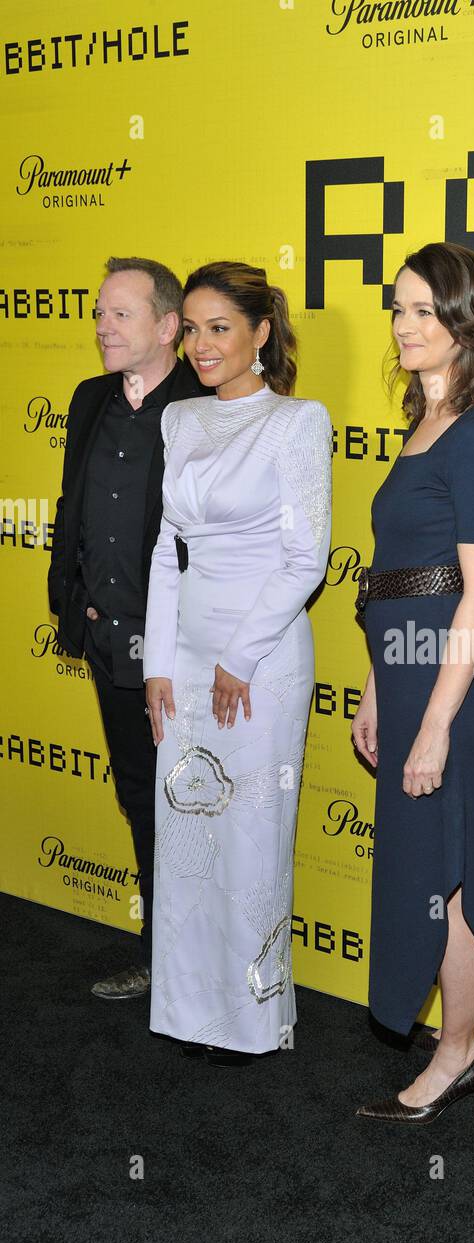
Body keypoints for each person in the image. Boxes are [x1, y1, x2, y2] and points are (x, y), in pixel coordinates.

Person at [352, 242, 474, 1122]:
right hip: (412, 675)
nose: (405, 325)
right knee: (434, 866)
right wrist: (383, 689)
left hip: (457, 685)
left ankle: (456, 1052)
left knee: (455, 872)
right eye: (399, 308)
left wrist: (433, 725)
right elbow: (399, 572)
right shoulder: (425, 425)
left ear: (467, 324)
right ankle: (458, 1039)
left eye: (426, 311)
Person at [143, 262, 332, 1067]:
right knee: (185, 837)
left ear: (260, 333)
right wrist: (160, 659)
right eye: (189, 328)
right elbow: (165, 548)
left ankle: (252, 1019)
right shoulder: (179, 419)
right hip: (185, 658)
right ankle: (190, 1011)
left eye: (219, 327)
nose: (200, 344)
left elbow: (306, 557)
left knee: (251, 837)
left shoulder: (296, 421)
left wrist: (238, 657)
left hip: (260, 658)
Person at [48, 257, 212, 1001]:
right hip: (109, 643)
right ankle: (161, 956)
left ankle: (204, 963)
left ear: (167, 327)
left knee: (194, 800)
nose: (101, 326)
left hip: (184, 651)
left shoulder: (205, 406)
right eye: (99, 312)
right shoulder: (88, 400)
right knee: (140, 795)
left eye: (119, 314)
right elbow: (72, 506)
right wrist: (72, 600)